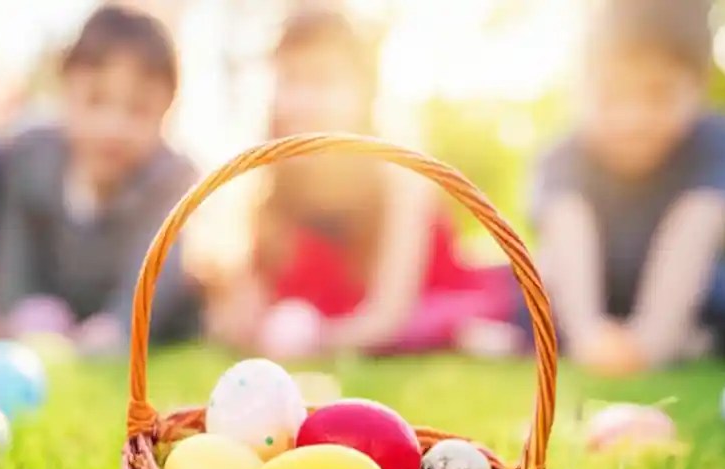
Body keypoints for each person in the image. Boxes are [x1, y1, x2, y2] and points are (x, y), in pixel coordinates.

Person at [532, 0, 725, 375]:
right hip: (582, 300)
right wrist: (587, 336)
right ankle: (694, 343)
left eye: (658, 93)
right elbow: (567, 239)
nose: (632, 119)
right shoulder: (564, 153)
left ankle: (696, 340)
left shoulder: (715, 142)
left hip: (703, 297)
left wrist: (650, 343)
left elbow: (694, 232)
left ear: (698, 85)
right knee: (527, 308)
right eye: (611, 94)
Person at [207, 11, 516, 357]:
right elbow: (243, 311)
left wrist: (316, 341)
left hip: (431, 306)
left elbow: (387, 321)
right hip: (340, 323)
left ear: (363, 92)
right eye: (290, 80)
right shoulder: (269, 191)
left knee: (434, 325)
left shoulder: (400, 180)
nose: (303, 100)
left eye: (323, 81)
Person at [0, 5, 201, 355]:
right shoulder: (30, 157)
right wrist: (15, 315)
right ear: (66, 92)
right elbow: (14, 255)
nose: (113, 127)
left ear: (166, 113)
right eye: (95, 100)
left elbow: (155, 279)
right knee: (34, 318)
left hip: (131, 325)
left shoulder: (172, 179)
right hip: (48, 316)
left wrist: (117, 329)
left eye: (139, 109)